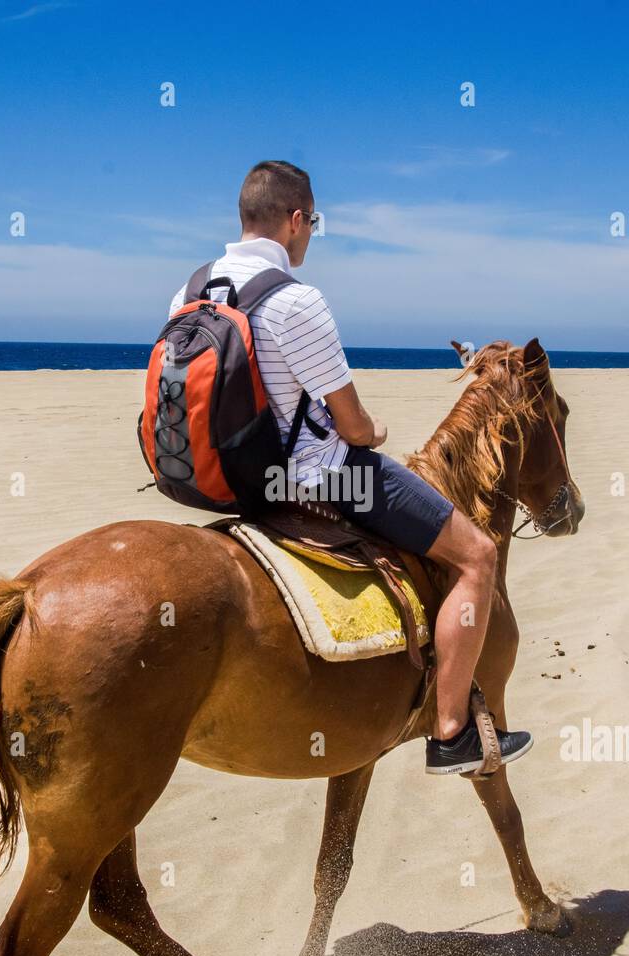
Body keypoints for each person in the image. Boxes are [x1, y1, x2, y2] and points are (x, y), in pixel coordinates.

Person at [168, 160, 531, 776]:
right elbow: (353, 425)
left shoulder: (189, 291)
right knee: (476, 556)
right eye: (312, 223)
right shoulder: (296, 300)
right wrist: (378, 431)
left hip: (223, 481)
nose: (309, 235)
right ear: (294, 220)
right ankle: (450, 732)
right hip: (321, 478)